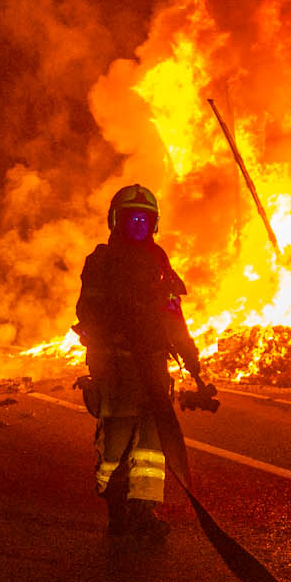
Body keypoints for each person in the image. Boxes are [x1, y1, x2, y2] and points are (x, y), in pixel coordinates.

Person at [75, 184, 212, 539]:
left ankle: (144, 512)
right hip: (116, 367)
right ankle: (116, 508)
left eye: (144, 219)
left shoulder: (159, 262)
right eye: (130, 218)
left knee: (152, 447)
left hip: (152, 367)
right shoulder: (101, 262)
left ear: (153, 225)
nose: (137, 225)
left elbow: (173, 316)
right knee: (117, 443)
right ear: (115, 222)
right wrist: (118, 326)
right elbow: (86, 311)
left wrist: (190, 358)